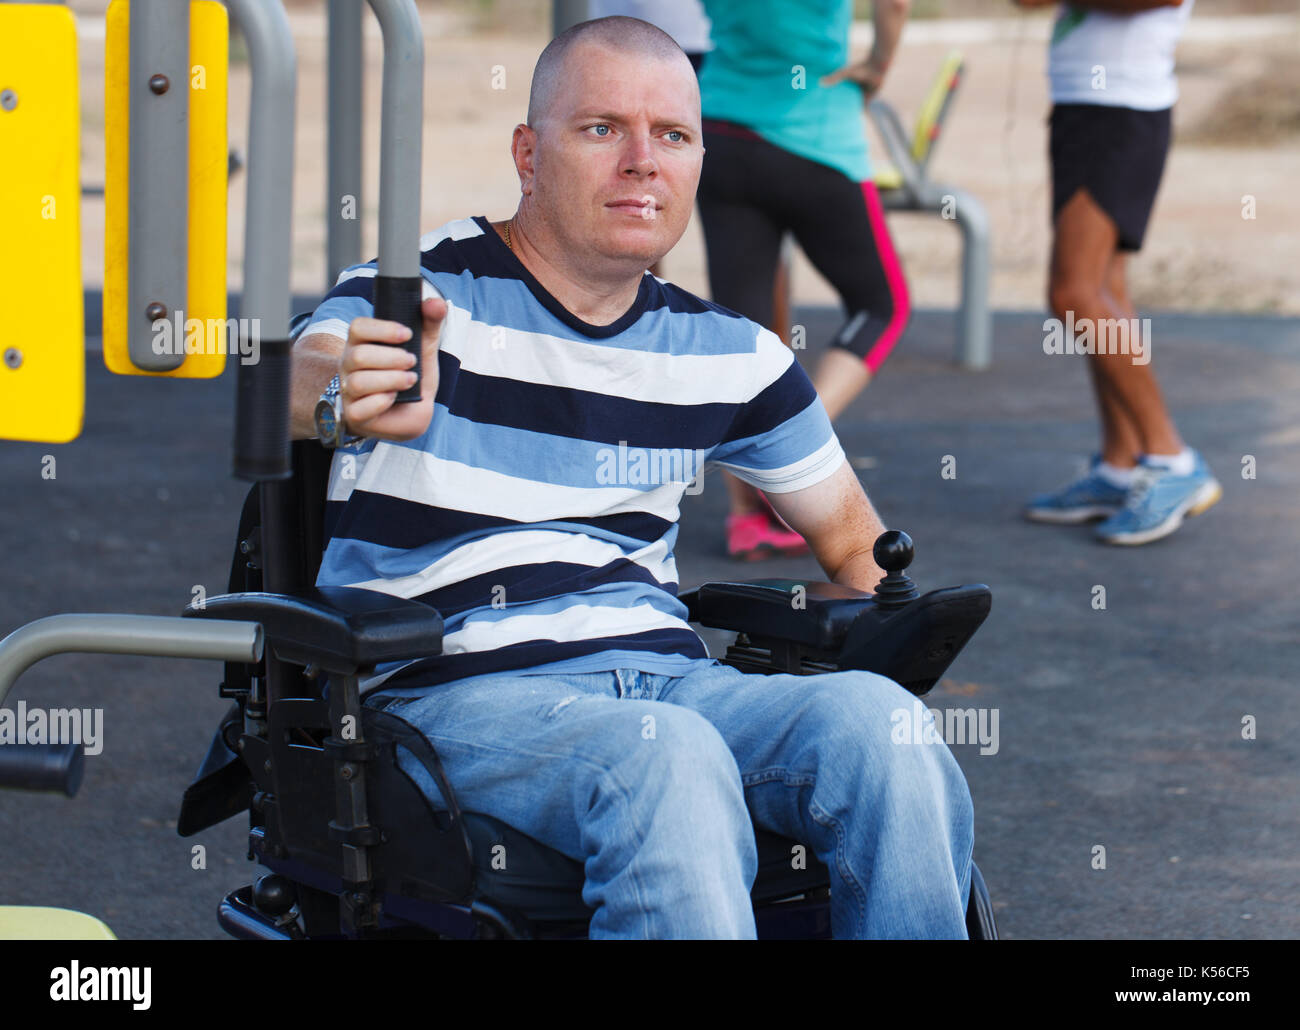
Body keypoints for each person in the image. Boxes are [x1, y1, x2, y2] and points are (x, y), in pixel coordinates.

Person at [289, 16, 972, 939]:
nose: (643, 160)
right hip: (457, 694)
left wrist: (883, 641)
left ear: (697, 164)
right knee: (667, 756)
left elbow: (857, 545)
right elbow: (302, 380)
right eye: (603, 128)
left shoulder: (734, 355)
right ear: (530, 154)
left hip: (666, 680)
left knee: (880, 729)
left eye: (674, 136)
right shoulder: (419, 293)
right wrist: (342, 395)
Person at [694, 0, 914, 559]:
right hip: (814, 136)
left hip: (720, 126)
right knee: (882, 306)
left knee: (743, 331)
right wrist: (879, 63)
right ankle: (790, 444)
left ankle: (747, 519)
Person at [1017, 0, 1221, 544]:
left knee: (1073, 295)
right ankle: (1120, 466)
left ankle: (1173, 460)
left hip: (1120, 109)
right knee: (1104, 292)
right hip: (1084, 105)